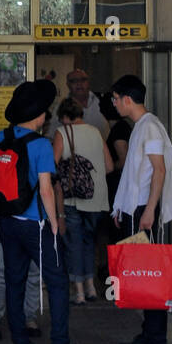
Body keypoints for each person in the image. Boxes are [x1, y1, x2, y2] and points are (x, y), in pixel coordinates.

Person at [0, 78, 94, 344]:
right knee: (57, 282)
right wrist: (54, 222)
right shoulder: (40, 145)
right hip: (35, 224)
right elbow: (46, 188)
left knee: (14, 281)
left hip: (7, 223)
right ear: (39, 115)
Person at [109, 74, 172, 344]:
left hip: (145, 211)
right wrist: (120, 207)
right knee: (143, 274)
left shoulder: (150, 127)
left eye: (116, 99)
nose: (114, 104)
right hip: (137, 209)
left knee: (152, 275)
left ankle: (156, 339)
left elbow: (159, 171)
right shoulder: (142, 126)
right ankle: (148, 334)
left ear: (127, 99)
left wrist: (150, 210)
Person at [53, 96, 114, 304]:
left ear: (65, 117)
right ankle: (91, 288)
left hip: (73, 199)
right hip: (96, 198)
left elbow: (53, 166)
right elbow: (109, 167)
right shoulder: (96, 133)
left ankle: (78, 291)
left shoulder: (62, 132)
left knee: (73, 244)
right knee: (90, 243)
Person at [0, 242, 42, 341]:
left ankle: (29, 317)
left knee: (34, 272)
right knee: (3, 272)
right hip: (9, 228)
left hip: (35, 229)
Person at [47, 69, 109, 139]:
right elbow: (51, 136)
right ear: (68, 84)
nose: (79, 83)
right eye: (74, 81)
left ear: (88, 82)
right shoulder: (60, 108)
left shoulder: (102, 102)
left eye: (83, 80)